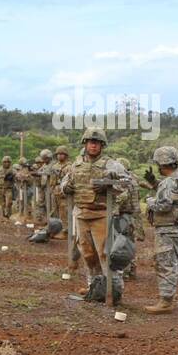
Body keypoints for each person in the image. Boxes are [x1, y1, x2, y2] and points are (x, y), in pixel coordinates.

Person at [59, 129, 134, 304]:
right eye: (90, 142)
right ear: (85, 143)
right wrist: (65, 188)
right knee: (88, 255)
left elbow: (127, 183)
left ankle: (114, 291)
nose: (93, 145)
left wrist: (110, 185)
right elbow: (65, 182)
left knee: (107, 255)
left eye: (97, 142)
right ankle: (95, 287)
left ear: (102, 145)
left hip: (102, 214)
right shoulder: (76, 164)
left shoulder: (111, 165)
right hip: (81, 214)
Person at [142, 146, 178, 314]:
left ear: (162, 163)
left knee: (165, 264)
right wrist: (154, 184)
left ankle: (166, 301)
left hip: (167, 229)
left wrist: (150, 201)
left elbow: (164, 204)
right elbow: (170, 194)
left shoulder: (169, 181)